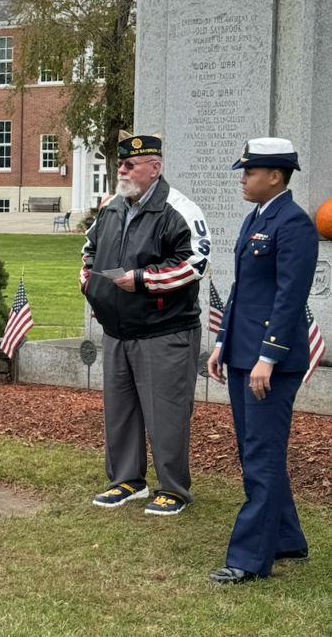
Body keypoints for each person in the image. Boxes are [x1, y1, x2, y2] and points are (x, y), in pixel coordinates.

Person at [80, 132, 210, 515]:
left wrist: (141, 279)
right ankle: (126, 482)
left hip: (164, 329)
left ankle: (173, 489)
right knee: (120, 412)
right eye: (121, 164)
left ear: (154, 168)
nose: (122, 170)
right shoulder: (111, 207)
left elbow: (194, 263)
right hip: (117, 330)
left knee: (166, 413)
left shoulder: (180, 210)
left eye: (130, 165)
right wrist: (89, 283)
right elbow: (89, 250)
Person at [207, 138, 317, 583]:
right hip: (241, 354)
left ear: (275, 176)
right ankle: (287, 538)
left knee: (261, 454)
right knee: (255, 450)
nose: (243, 178)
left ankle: (250, 559)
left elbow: (290, 298)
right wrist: (222, 342)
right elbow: (243, 292)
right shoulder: (257, 217)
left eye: (250, 172)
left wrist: (267, 357)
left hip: (269, 361)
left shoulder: (293, 223)